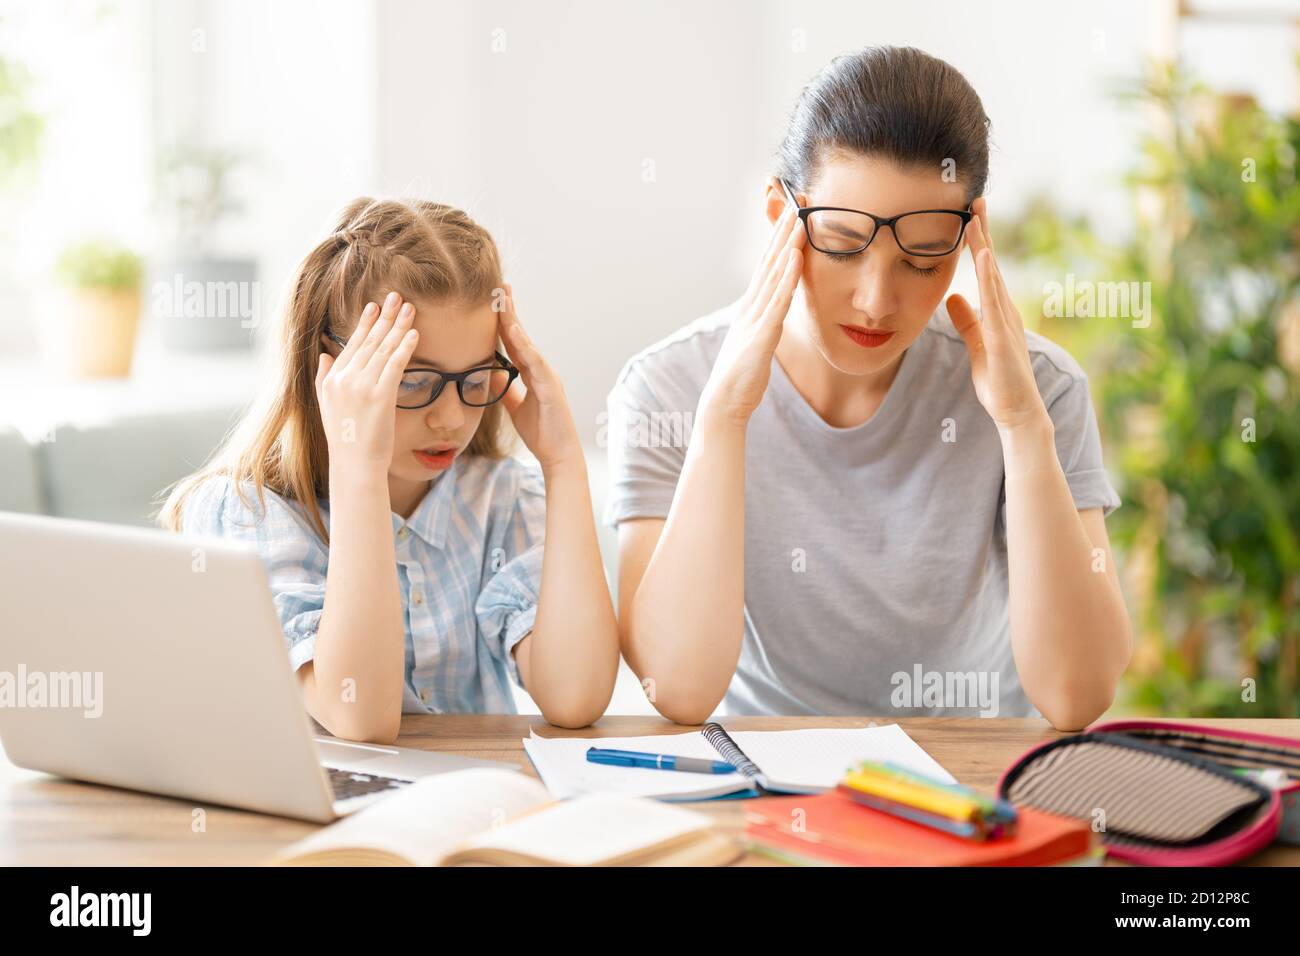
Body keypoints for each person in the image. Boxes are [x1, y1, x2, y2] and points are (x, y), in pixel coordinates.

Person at [606, 46, 1130, 729]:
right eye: (844, 243)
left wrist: (1023, 430)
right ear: (778, 217)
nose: (877, 301)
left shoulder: (1040, 390)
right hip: (765, 780)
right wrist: (724, 418)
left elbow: (1077, 695)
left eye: (921, 257)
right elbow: (675, 690)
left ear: (971, 239)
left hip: (969, 782)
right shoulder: (667, 389)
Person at [160, 197, 619, 742]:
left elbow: (576, 696)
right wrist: (360, 470)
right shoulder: (248, 513)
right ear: (328, 372)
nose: (450, 418)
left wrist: (562, 463)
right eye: (410, 381)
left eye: (474, 380)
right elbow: (361, 716)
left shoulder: (501, 499)